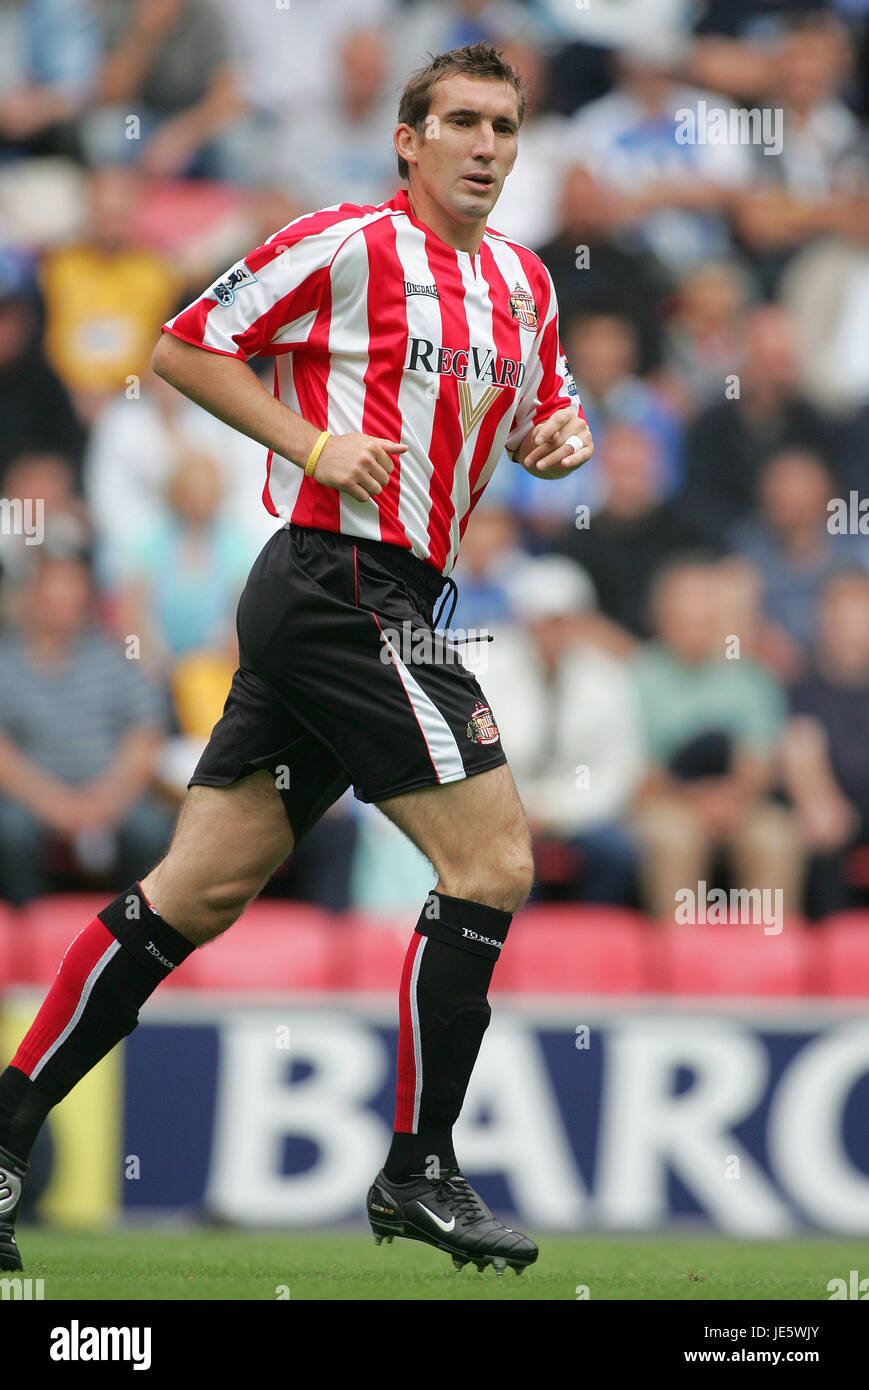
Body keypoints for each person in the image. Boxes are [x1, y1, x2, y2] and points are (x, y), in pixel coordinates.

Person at [0, 42, 593, 1276]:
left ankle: (3, 1133)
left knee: (193, 894)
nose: (486, 146)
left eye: (505, 126)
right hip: (339, 581)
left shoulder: (524, 285)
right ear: (408, 139)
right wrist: (312, 441)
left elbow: (549, 407)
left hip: (391, 591)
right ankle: (416, 1168)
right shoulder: (346, 244)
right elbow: (182, 345)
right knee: (491, 861)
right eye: (463, 123)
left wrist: (558, 439)